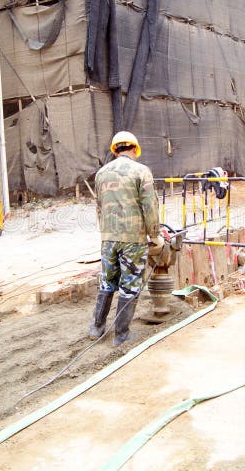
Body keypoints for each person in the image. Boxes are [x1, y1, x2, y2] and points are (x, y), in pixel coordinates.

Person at [89, 131, 162, 346]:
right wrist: (155, 234)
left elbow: (99, 207)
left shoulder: (101, 173)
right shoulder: (141, 171)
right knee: (129, 285)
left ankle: (97, 327)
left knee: (107, 280)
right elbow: (149, 206)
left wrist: (106, 234)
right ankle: (122, 334)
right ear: (134, 149)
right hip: (132, 238)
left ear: (115, 149)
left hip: (108, 237)